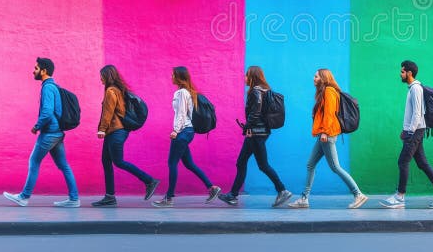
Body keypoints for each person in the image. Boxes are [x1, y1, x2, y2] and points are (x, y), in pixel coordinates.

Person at [3, 58, 79, 207]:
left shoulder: (48, 88)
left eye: (36, 68)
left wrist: (36, 126)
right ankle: (74, 199)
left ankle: (24, 197)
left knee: (34, 161)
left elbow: (47, 111)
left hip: (50, 133)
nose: (33, 70)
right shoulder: (52, 86)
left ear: (44, 71)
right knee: (63, 165)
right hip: (57, 132)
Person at [288, 69, 368, 209]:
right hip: (323, 134)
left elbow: (330, 114)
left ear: (323, 78)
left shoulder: (329, 91)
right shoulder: (324, 92)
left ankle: (358, 194)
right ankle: (304, 198)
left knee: (335, 167)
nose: (313, 78)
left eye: (316, 76)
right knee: (310, 164)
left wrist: (325, 132)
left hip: (327, 135)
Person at [380, 60, 433, 209]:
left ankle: (400, 196)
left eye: (402, 71)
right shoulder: (412, 88)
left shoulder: (416, 89)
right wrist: (406, 129)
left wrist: (410, 131)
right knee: (422, 163)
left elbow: (418, 113)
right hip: (415, 130)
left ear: (409, 73)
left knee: (402, 161)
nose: (400, 74)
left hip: (415, 131)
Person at [218, 66, 292, 208]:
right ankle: (233, 195)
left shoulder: (256, 91)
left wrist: (248, 127)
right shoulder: (265, 90)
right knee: (242, 162)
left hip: (256, 133)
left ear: (252, 77)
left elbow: (256, 112)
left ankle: (282, 190)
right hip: (260, 132)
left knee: (262, 165)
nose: (244, 78)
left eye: (246, 75)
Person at [152, 66, 221, 207]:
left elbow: (182, 114)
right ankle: (212, 188)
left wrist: (176, 130)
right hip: (187, 131)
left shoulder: (181, 93)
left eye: (173, 75)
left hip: (183, 131)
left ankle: (168, 198)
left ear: (179, 77)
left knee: (172, 164)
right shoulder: (187, 92)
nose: (171, 77)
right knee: (189, 164)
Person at [92, 65, 160, 207]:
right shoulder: (119, 90)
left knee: (118, 161)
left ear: (108, 76)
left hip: (115, 131)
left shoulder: (111, 91)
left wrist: (102, 129)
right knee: (106, 162)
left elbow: (108, 113)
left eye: (102, 75)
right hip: (115, 131)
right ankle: (110, 196)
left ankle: (149, 181)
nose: (100, 78)